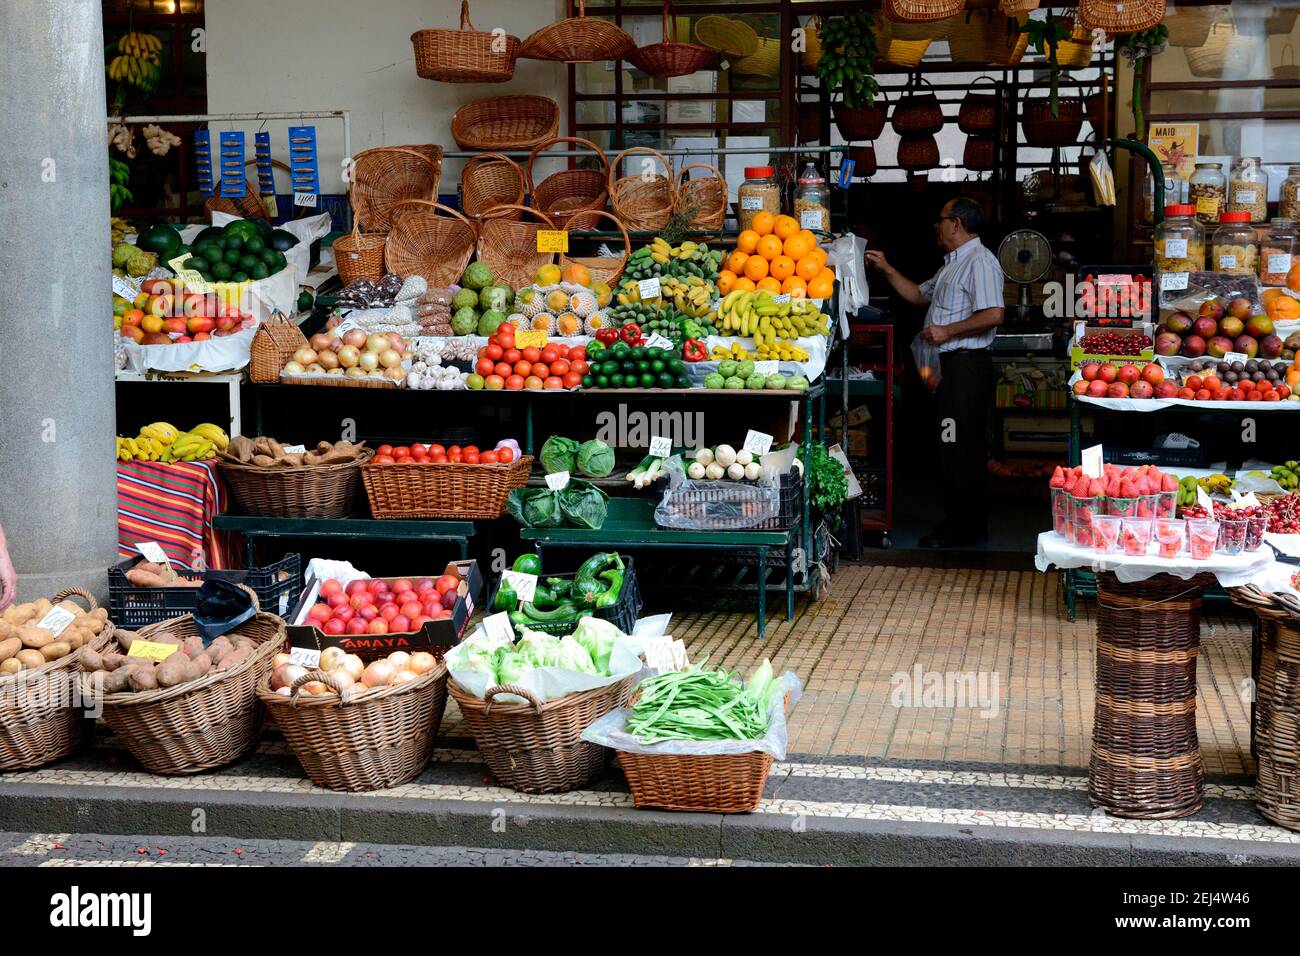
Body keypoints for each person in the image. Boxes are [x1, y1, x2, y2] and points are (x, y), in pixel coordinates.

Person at [865, 197, 1005, 548]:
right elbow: (916, 296)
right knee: (950, 444)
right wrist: (887, 268)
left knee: (960, 445)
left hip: (965, 368)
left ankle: (965, 529)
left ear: (956, 223)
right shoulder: (951, 265)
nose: (935, 227)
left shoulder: (980, 261)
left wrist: (947, 331)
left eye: (940, 220)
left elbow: (993, 314)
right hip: (948, 369)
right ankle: (958, 522)